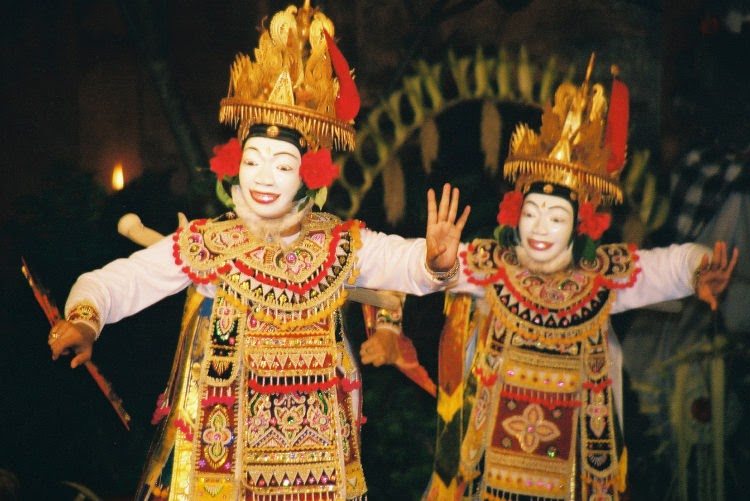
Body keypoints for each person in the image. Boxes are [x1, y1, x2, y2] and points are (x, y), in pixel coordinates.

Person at [47, 2, 468, 500]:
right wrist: (86, 318)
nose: (265, 177)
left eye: (283, 165)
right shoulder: (210, 244)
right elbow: (118, 281)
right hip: (223, 469)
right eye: (254, 160)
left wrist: (434, 261)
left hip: (320, 469)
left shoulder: (337, 244)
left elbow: (403, 263)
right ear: (235, 165)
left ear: (308, 175)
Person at [388, 57, 735, 500]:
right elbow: (429, 262)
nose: (539, 228)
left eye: (555, 216)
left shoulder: (600, 278)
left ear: (580, 224)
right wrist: (437, 263)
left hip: (570, 480)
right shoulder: (494, 266)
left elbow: (667, 265)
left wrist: (699, 266)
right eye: (531, 213)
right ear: (515, 215)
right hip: (491, 475)